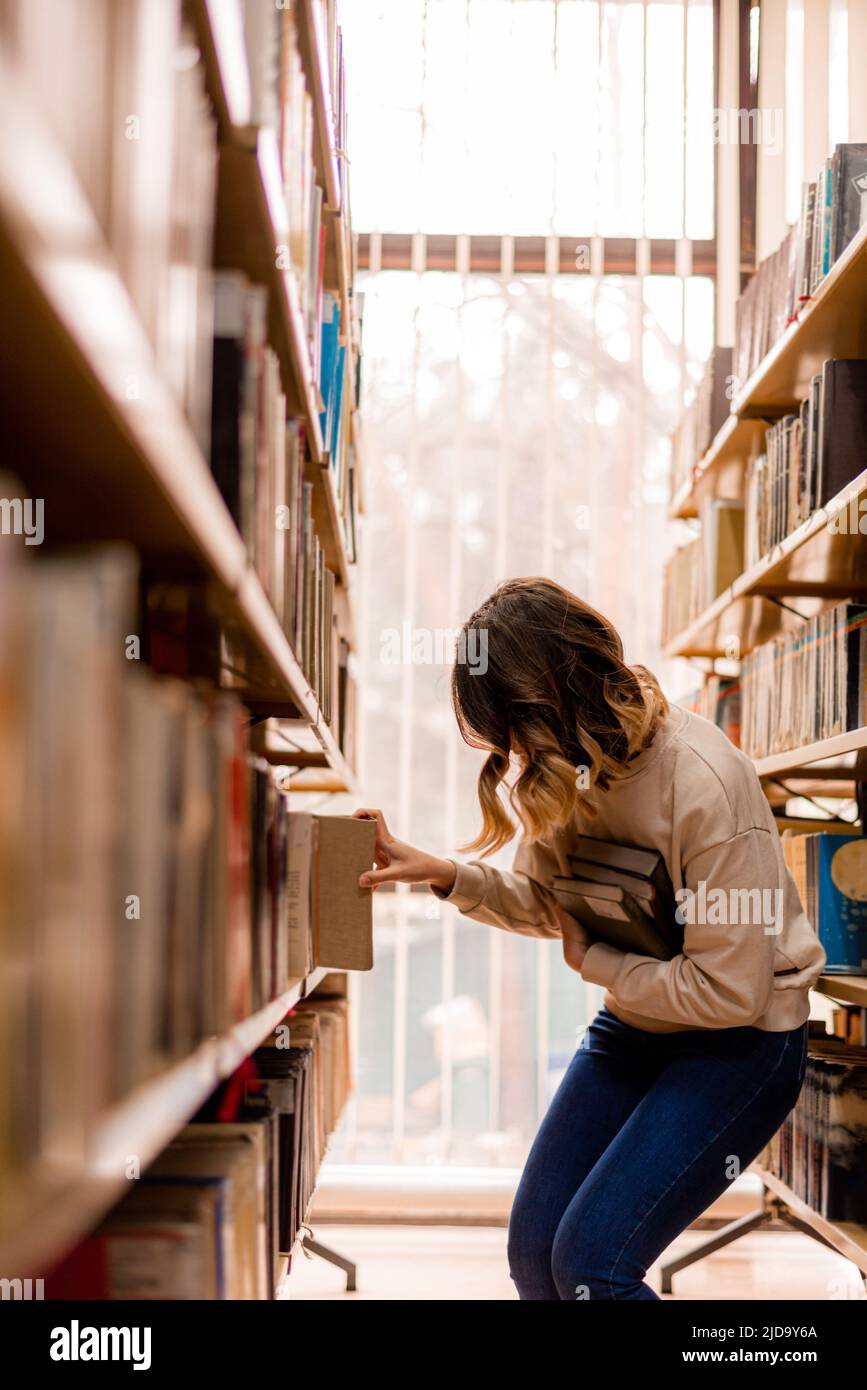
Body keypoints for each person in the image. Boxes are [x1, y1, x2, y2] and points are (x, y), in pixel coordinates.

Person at [354, 576, 825, 1300]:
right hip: (636, 1029)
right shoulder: (564, 770)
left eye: (514, 734)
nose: (512, 759)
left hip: (740, 1044)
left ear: (551, 703)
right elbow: (551, 902)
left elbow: (730, 992)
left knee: (590, 1267)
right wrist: (445, 874)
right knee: (535, 1258)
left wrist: (597, 960)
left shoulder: (701, 782)